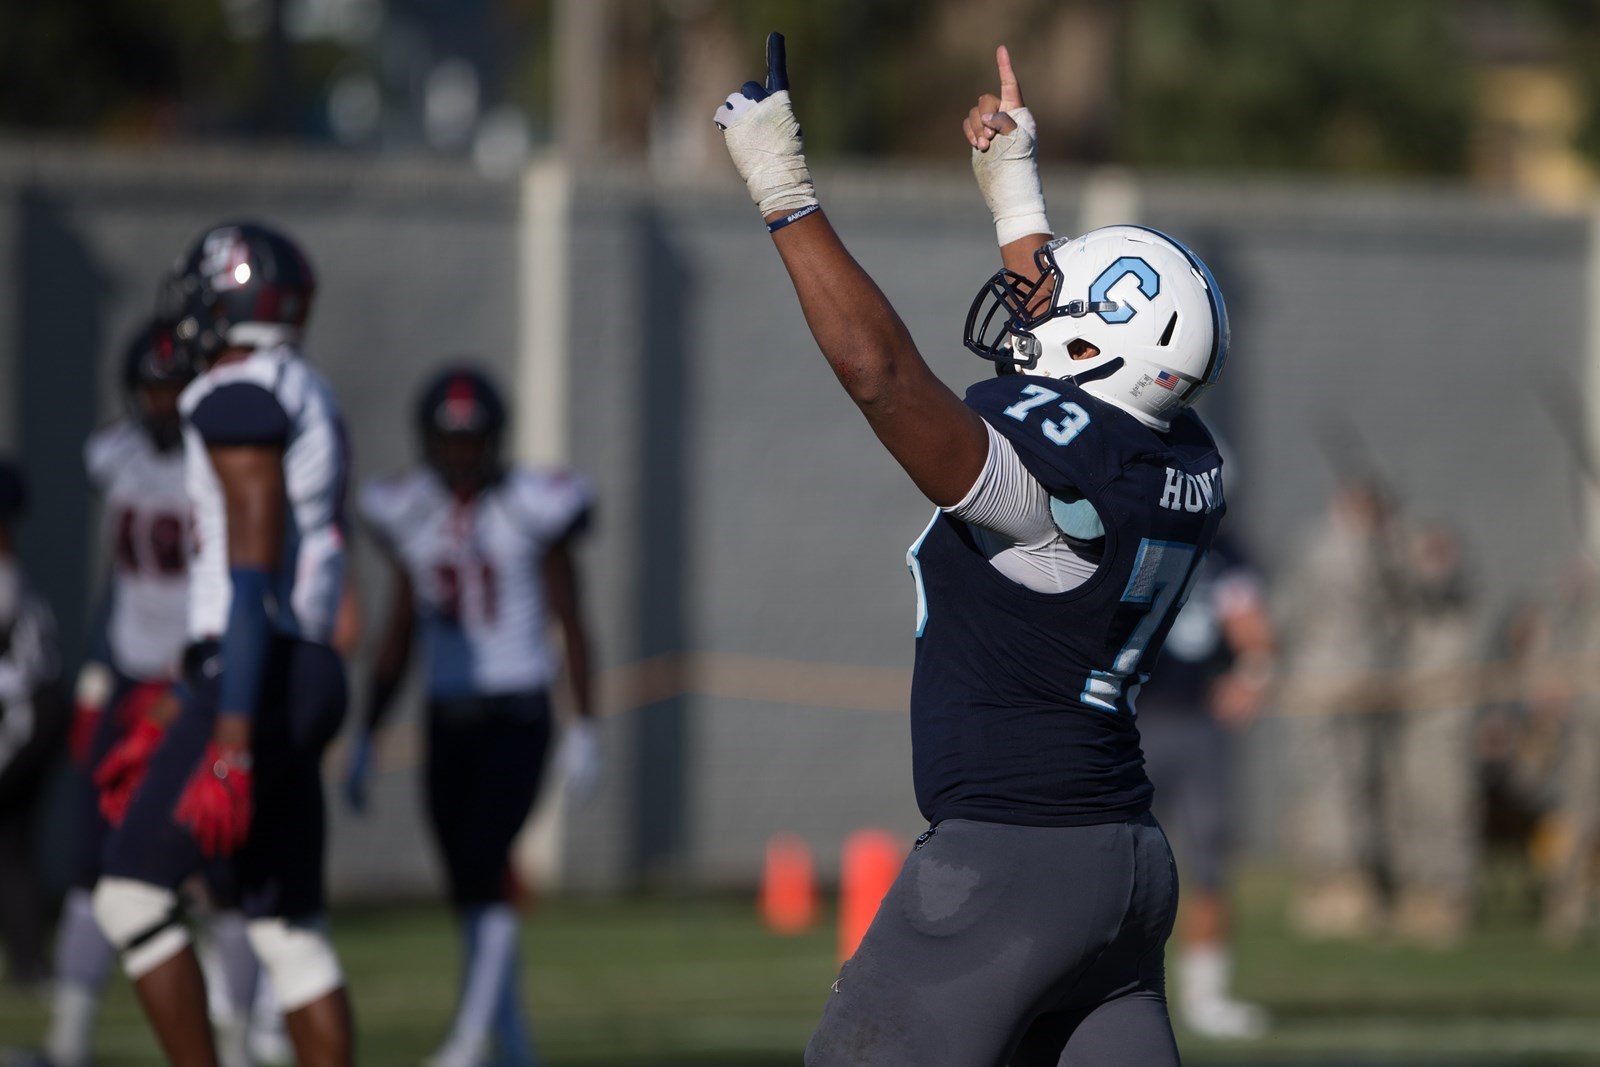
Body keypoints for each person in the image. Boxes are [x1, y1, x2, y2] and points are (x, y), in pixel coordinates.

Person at [716, 38, 1229, 1065]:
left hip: (1012, 859)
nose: (1026, 316)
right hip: (1122, 859)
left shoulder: (1051, 496)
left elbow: (883, 377)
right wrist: (1015, 194)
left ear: (1096, 350)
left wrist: (783, 189)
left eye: (1060, 311)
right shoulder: (1175, 451)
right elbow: (1079, 348)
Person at [90, 220, 354, 1067]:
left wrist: (230, 735)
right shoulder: (299, 386)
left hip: (262, 671)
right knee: (288, 933)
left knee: (130, 899)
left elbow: (247, 576)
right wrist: (185, 702)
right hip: (290, 666)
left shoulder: (236, 396)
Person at [347, 365, 598, 1067]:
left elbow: (571, 618)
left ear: (494, 439)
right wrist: (368, 732)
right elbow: (398, 631)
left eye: (472, 439)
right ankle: (513, 1041)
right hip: (443, 715)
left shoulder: (531, 504)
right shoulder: (412, 510)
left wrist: (584, 725)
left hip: (517, 711)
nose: (460, 454)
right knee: (466, 880)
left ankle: (467, 1040)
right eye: (448, 440)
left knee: (486, 864)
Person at [1137, 529, 1273, 1037]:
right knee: (1112, 853)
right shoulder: (1128, 525)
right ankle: (1101, 986)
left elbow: (1252, 630)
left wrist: (1254, 673)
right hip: (1130, 716)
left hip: (1197, 720)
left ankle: (1205, 994)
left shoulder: (1226, 550)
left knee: (1209, 854)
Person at [1274, 476, 1403, 938]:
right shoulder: (1351, 547)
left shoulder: (1365, 546)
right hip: (1335, 677)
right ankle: (1337, 881)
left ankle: (1346, 881)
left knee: (1347, 781)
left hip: (1342, 678)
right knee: (1335, 782)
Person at [0, 461, 66, 993]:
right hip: (32, 712)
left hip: (26, 715)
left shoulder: (4, 580)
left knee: (14, 838)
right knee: (14, 842)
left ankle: (31, 961)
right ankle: (29, 962)